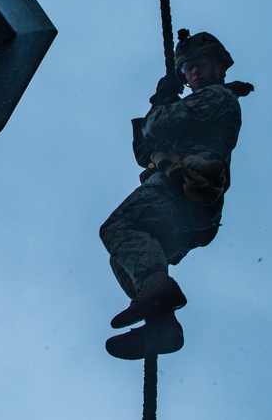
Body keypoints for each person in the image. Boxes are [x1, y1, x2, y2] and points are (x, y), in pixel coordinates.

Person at [99, 30, 253, 360]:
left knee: (118, 227)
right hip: (189, 208)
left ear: (219, 67)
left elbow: (156, 126)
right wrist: (163, 103)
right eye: (187, 67)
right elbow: (147, 150)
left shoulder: (217, 98)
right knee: (124, 258)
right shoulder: (203, 103)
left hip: (182, 190)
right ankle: (162, 324)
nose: (193, 71)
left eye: (200, 64)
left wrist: (162, 101)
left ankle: (157, 289)